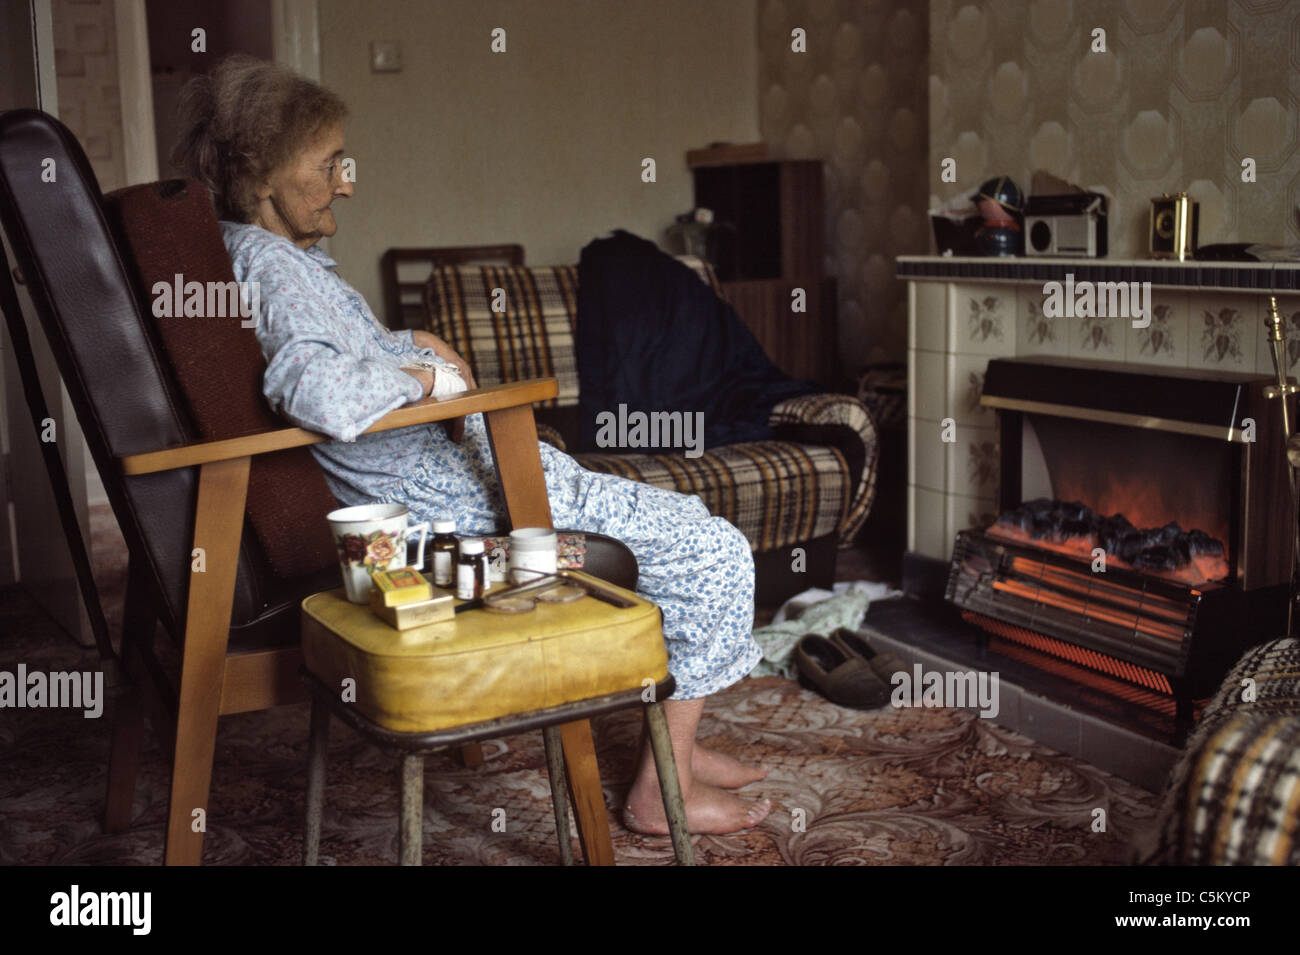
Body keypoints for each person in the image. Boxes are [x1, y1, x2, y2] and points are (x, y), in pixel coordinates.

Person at [172, 55, 771, 835]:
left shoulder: (270, 261)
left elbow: (337, 359)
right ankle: (662, 789)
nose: (348, 182)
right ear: (260, 179)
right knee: (713, 547)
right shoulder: (272, 271)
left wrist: (403, 340)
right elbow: (314, 390)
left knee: (676, 520)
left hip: (453, 485)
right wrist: (428, 378)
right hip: (448, 522)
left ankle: (680, 753)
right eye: (329, 165)